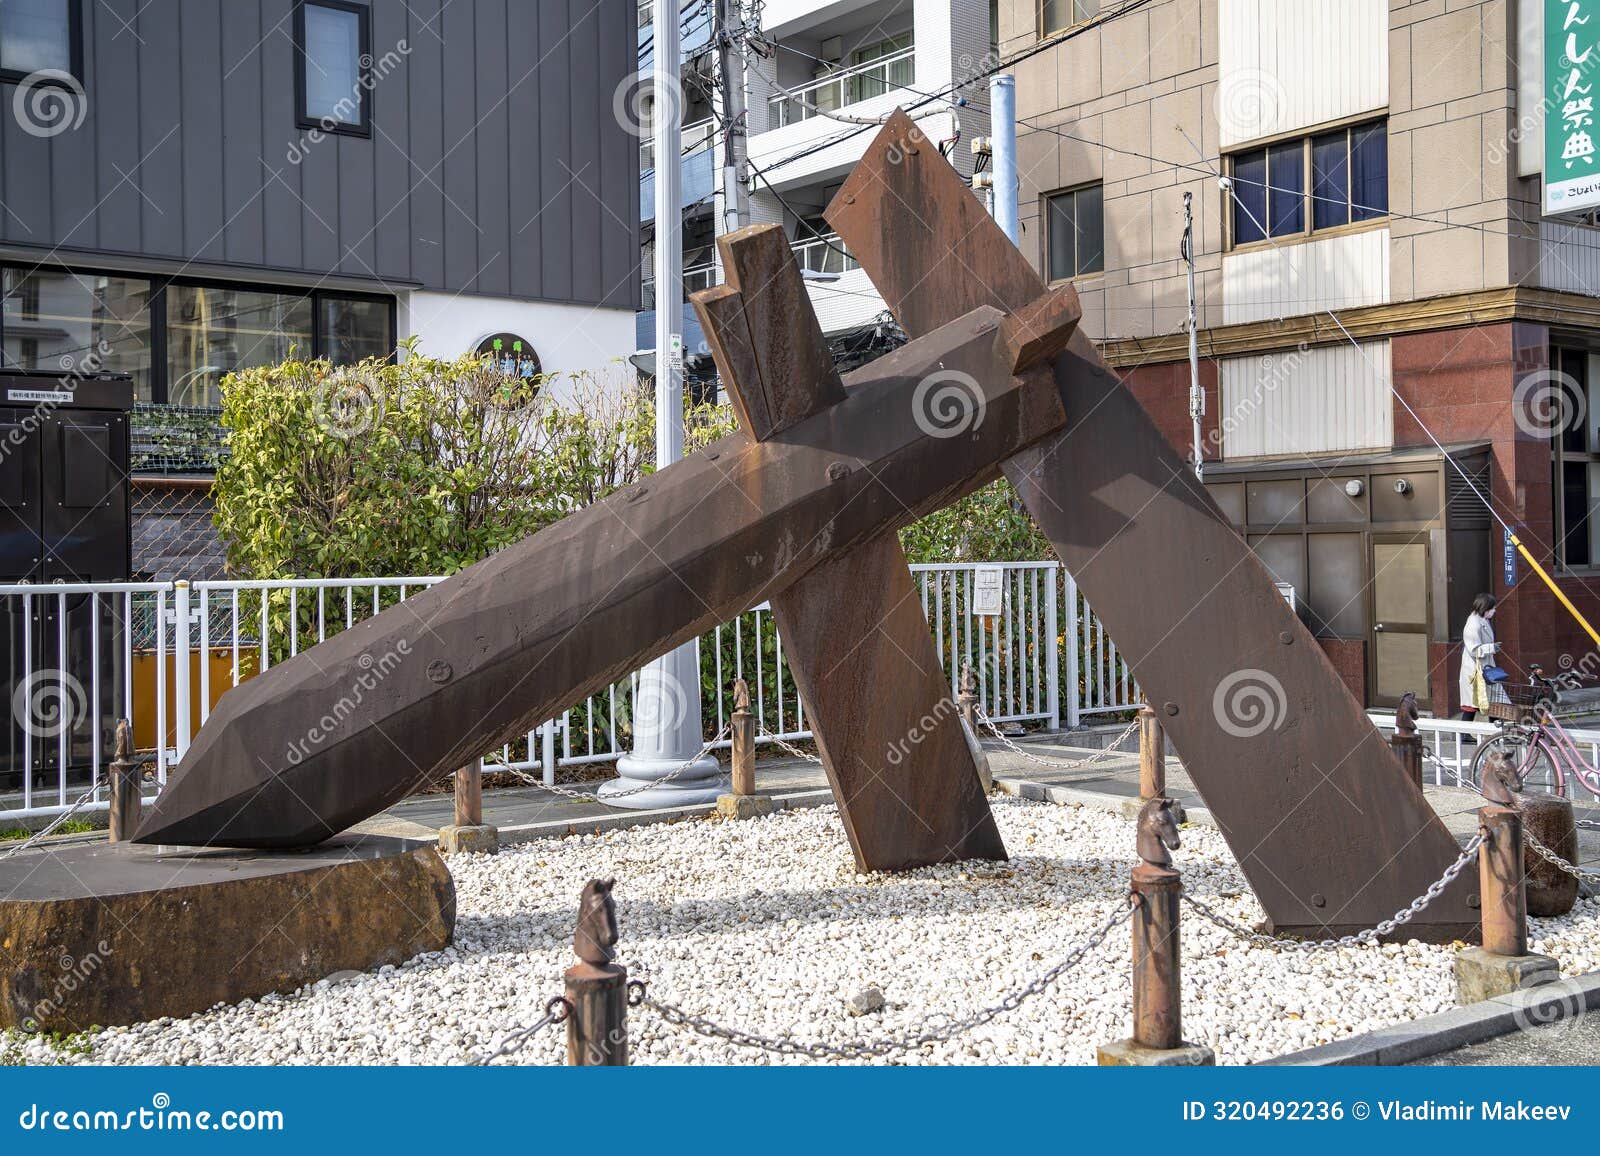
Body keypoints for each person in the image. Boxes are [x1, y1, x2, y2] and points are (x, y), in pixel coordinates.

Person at [1459, 593, 1499, 726]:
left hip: (1485, 667)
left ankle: (1494, 728)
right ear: (1485, 609)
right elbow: (1474, 649)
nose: (1495, 611)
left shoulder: (1482, 621)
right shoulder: (1473, 624)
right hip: (1475, 669)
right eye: (1493, 608)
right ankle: (1465, 734)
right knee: (1474, 703)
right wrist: (1491, 648)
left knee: (1492, 699)